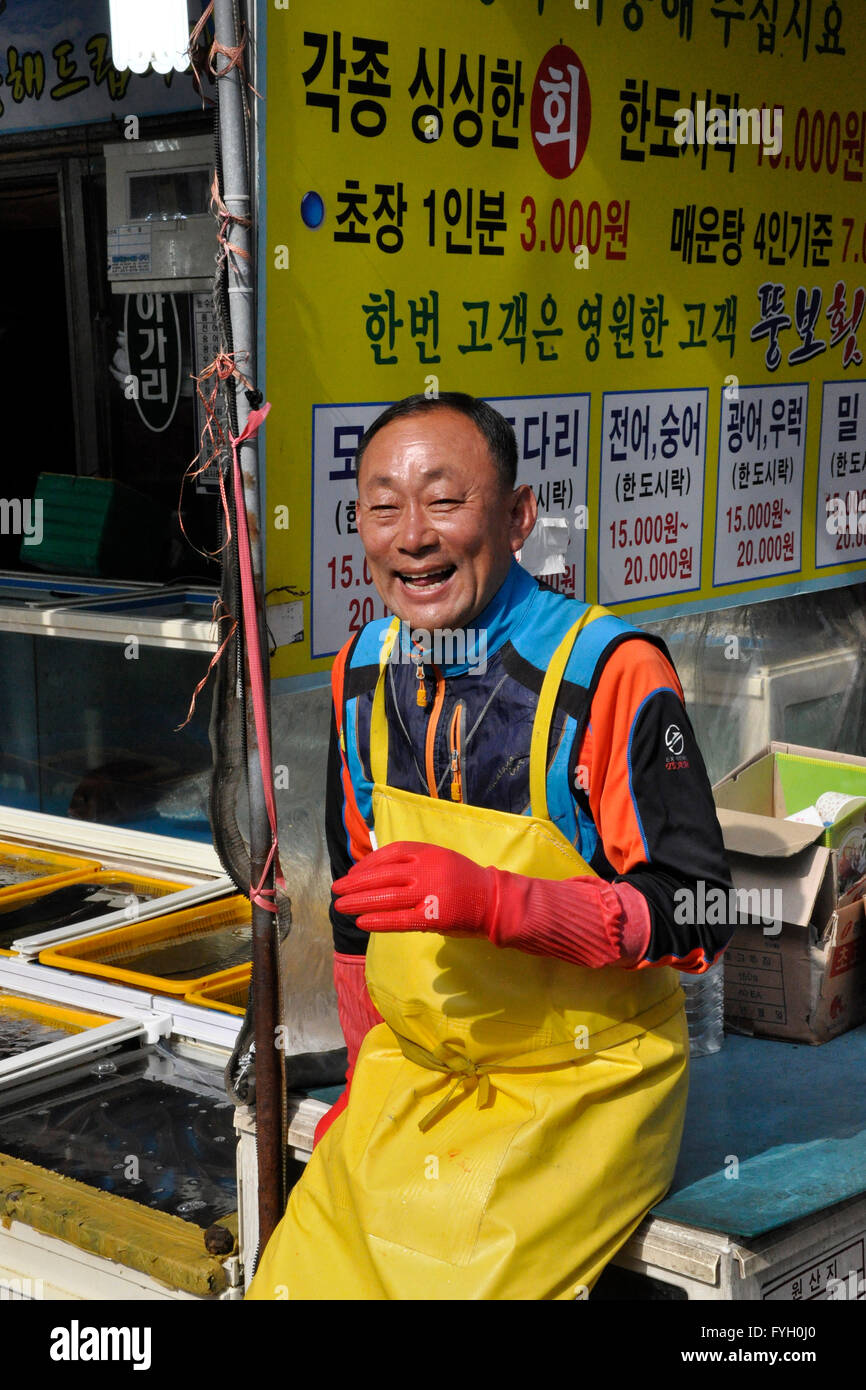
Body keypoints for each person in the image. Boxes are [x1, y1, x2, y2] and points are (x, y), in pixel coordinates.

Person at [247, 391, 734, 1301]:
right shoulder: (363, 668)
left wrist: (503, 904)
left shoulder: (612, 672)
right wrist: (362, 1076)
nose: (412, 536)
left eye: (444, 500)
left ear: (516, 517)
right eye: (383, 507)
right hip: (416, 1073)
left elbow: (701, 913)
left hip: (580, 1087)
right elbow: (355, 908)